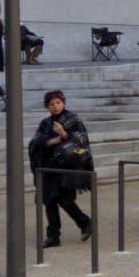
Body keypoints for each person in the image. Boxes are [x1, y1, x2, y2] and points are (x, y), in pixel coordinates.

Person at [29, 90, 93, 247]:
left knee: (65, 200)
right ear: (47, 107)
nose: (55, 107)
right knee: (49, 201)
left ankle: (85, 222)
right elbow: (35, 142)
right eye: (51, 104)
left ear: (63, 103)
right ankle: (53, 236)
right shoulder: (45, 123)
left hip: (68, 167)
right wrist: (51, 141)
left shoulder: (73, 119)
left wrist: (64, 134)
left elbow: (82, 140)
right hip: (48, 168)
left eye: (58, 103)